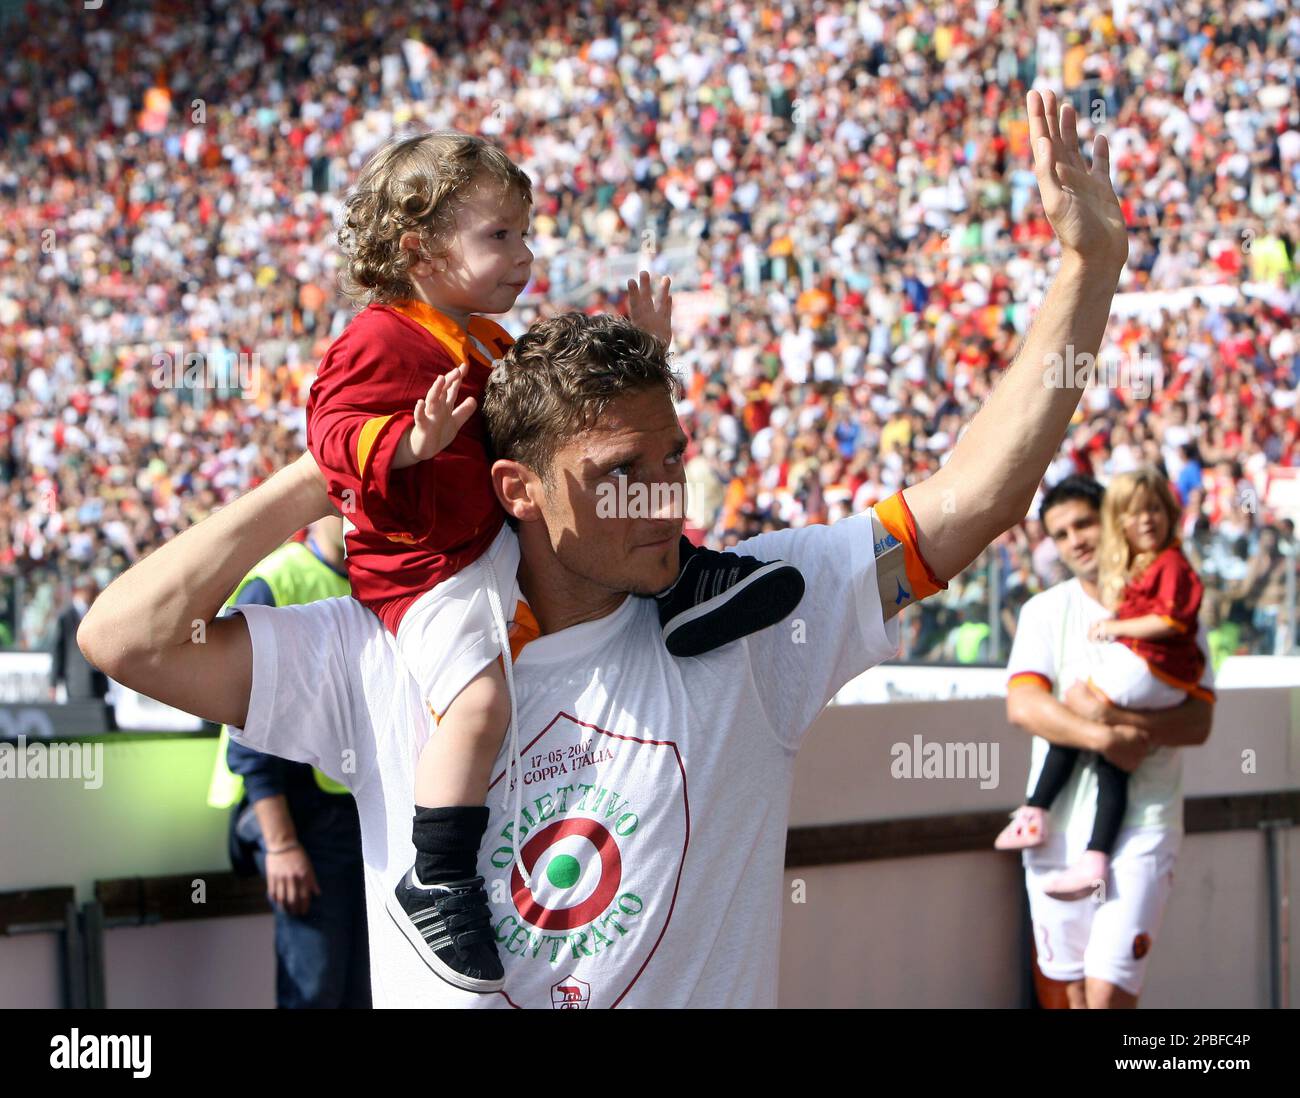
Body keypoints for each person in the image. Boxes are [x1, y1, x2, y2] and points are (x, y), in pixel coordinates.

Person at [81, 90, 1131, 1008]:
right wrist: (337, 472)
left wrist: (1089, 270)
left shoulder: (750, 620)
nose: (662, 493)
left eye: (671, 458)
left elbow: (978, 497)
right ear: (515, 490)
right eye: (617, 472)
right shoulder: (383, 651)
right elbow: (125, 636)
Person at [305, 130, 804, 992]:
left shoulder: (486, 340)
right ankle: (439, 873)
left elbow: (560, 421)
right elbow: (328, 428)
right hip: (426, 569)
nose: (524, 255)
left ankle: (691, 585)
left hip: (486, 545)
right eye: (499, 236)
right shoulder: (381, 339)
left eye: (524, 234)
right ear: (416, 248)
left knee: (607, 507)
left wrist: (644, 356)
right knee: (479, 701)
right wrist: (404, 440)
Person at [1002, 475, 1215, 1009]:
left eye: (1084, 523)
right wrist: (1106, 736)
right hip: (1055, 836)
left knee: (1106, 998)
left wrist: (1116, 718)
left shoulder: (1169, 612)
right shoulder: (1044, 612)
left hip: (1144, 825)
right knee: (1067, 997)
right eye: (1061, 532)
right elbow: (1024, 705)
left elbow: (1198, 722)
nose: (1075, 539)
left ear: (1116, 520)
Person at [206, 516, 371, 1008]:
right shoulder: (276, 580)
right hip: (290, 813)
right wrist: (280, 843)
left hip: (347, 810)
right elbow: (246, 724)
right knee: (316, 988)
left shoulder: (378, 581)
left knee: (360, 989)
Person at [49, 576, 109, 704]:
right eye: (91, 590)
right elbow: (58, 651)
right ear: (81, 591)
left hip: (97, 678)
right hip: (78, 679)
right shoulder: (66, 617)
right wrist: (53, 683)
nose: (94, 594)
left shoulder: (97, 613)